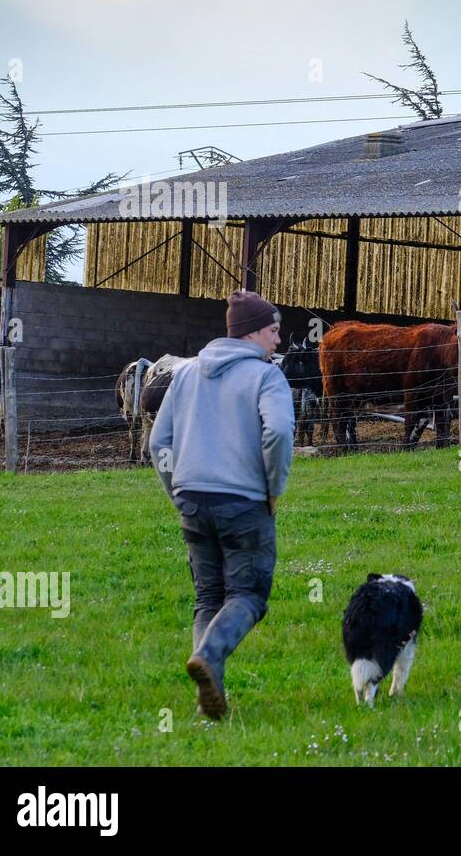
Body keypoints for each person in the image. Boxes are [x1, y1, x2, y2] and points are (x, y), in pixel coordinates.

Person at [148, 290, 294, 719]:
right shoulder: (266, 378)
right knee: (248, 594)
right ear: (252, 332)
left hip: (192, 499)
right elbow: (280, 433)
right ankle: (209, 656)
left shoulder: (188, 375)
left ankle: (208, 696)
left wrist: (177, 490)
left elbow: (159, 443)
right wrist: (273, 488)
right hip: (244, 501)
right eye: (273, 331)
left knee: (209, 596)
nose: (278, 342)